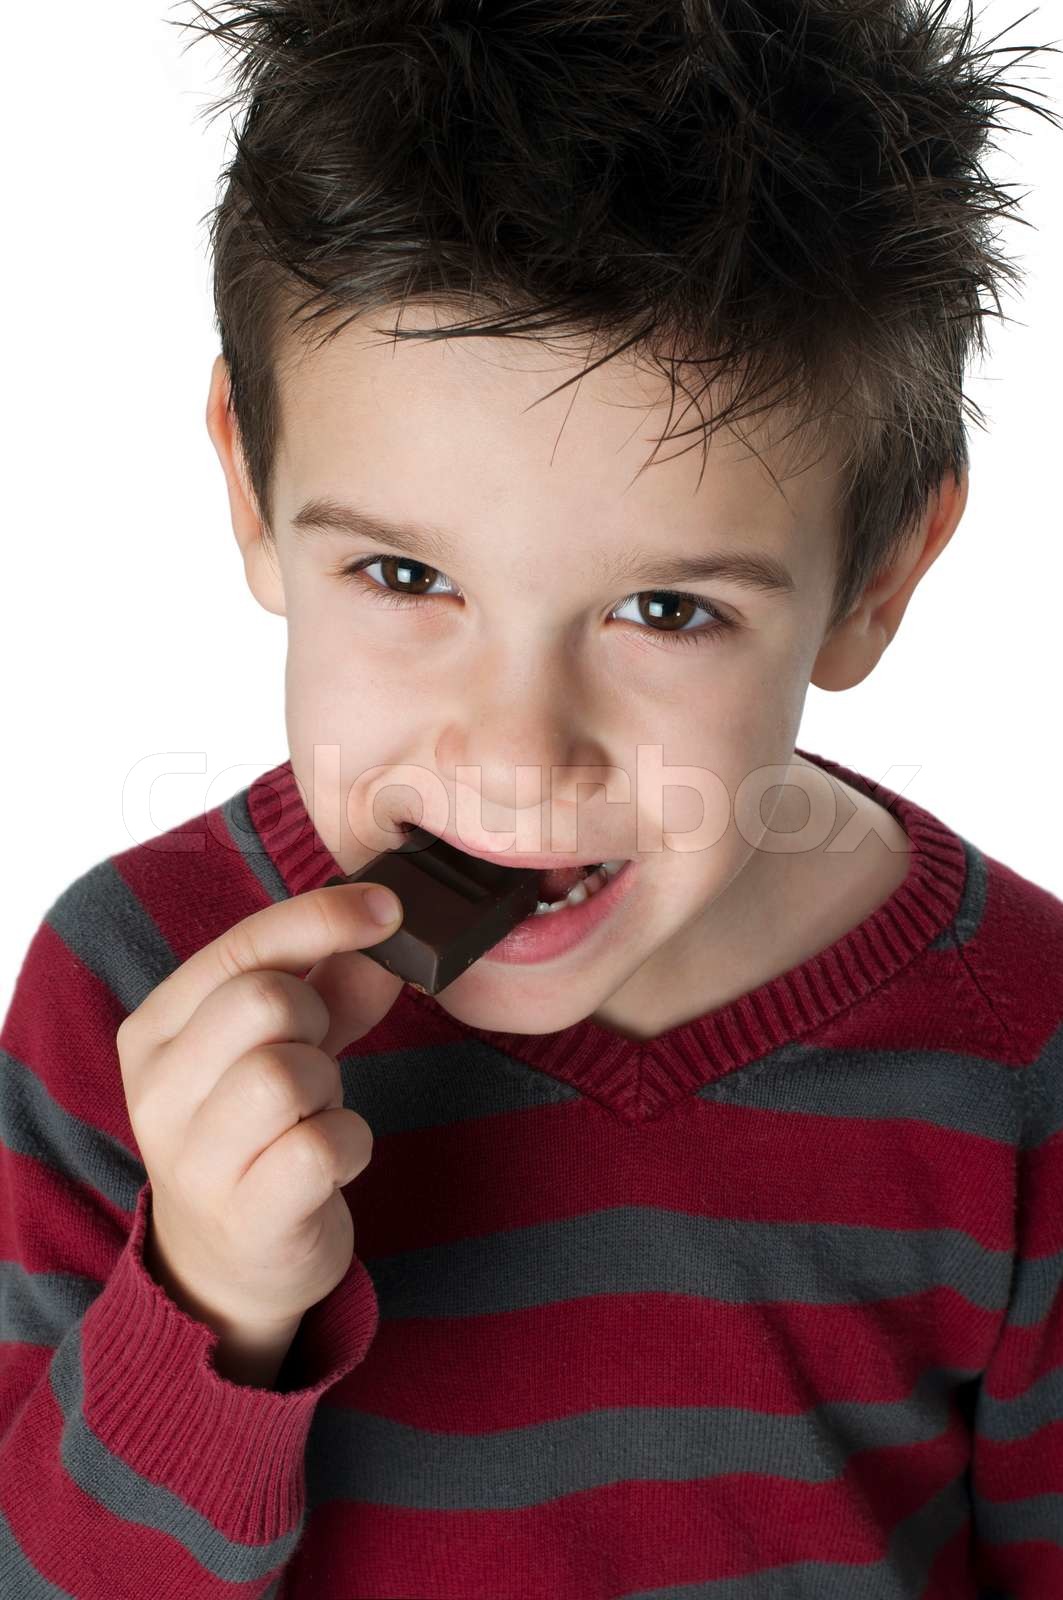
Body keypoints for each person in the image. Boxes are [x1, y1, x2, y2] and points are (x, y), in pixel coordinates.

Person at [2, 2, 1061, 1594]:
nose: (516, 753)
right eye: (405, 574)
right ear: (249, 484)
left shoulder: (1024, 1050)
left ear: (876, 577)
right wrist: (211, 1300)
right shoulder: (141, 987)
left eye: (667, 611)